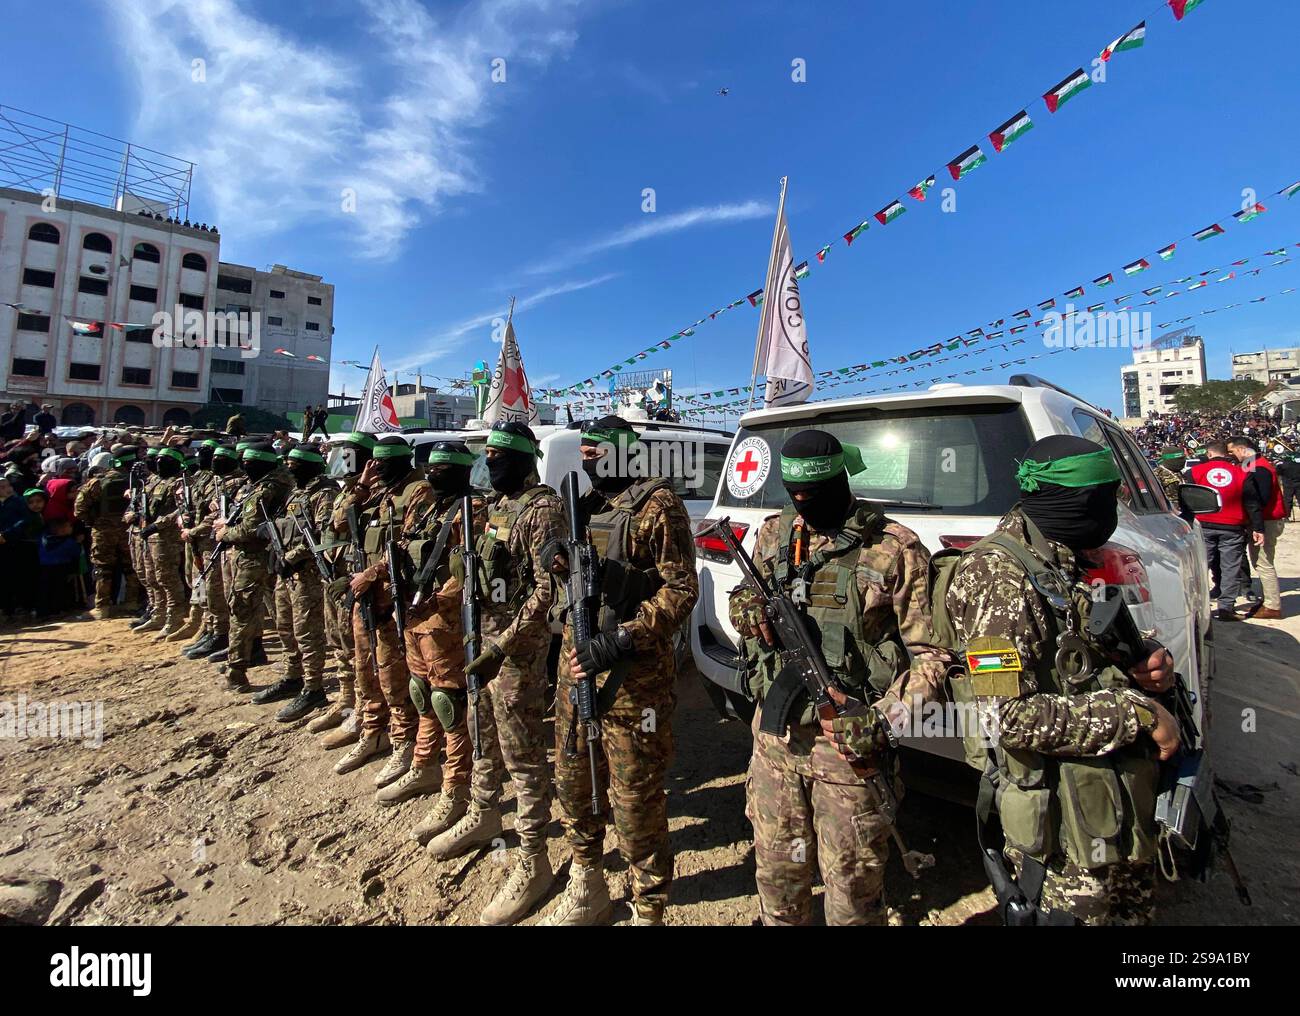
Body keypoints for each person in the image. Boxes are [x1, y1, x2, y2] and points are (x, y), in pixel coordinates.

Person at [945, 435, 1179, 925]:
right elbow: (1006, 716)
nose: (1111, 510)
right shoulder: (998, 578)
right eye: (1104, 497)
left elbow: (1077, 654)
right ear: (1070, 500)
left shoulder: (1063, 556)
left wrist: (1146, 663)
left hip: (1111, 800)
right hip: (1064, 832)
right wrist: (1136, 714)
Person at [727, 430, 954, 926]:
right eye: (795, 495)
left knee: (852, 888)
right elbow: (744, 594)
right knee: (778, 872)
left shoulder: (894, 548)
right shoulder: (773, 534)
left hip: (848, 746)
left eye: (817, 492)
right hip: (775, 742)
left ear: (842, 478)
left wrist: (880, 720)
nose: (804, 504)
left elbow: (932, 655)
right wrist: (744, 605)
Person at [543, 417, 699, 926]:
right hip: (577, 665)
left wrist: (625, 637)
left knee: (634, 799)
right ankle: (587, 880)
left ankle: (648, 906)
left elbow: (681, 591)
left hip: (633, 680)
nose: (588, 460)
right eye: (583, 452)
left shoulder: (659, 505)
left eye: (597, 452)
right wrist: (556, 558)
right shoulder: (585, 506)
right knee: (573, 782)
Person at [426, 421, 565, 928]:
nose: (493, 464)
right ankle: (484, 813)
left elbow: (549, 590)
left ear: (526, 460)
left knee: (523, 752)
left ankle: (533, 856)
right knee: (479, 732)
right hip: (478, 639)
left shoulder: (542, 508)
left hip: (516, 654)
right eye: (490, 456)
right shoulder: (491, 508)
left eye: (503, 456)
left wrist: (503, 646)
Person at [394, 442, 486, 823]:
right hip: (415, 617)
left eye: (443, 468)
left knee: (449, 703)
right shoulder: (426, 506)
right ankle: (423, 762)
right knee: (421, 694)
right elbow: (400, 544)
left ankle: (456, 787)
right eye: (430, 467)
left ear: (463, 470)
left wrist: (434, 602)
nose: (433, 473)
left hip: (443, 623)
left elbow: (469, 572)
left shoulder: (473, 511)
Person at [331, 436, 431, 780]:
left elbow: (409, 543)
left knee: (393, 674)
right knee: (365, 668)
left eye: (381, 462)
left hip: (394, 599)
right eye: (373, 462)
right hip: (366, 596)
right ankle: (372, 730)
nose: (376, 467)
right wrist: (360, 487)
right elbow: (339, 524)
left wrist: (372, 574)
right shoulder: (377, 490)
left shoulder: (418, 491)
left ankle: (403, 739)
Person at [252, 446, 338, 721]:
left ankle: (313, 687)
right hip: (287, 573)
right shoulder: (296, 492)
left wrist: (290, 557)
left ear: (312, 466)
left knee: (307, 632)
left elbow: (322, 536)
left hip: (308, 575)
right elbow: (287, 525)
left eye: (296, 463)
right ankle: (293, 676)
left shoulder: (324, 493)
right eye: (288, 463)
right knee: (285, 626)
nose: (290, 468)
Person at [212, 444, 293, 691]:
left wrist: (225, 533)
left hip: (256, 559)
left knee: (244, 612)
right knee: (280, 616)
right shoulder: (277, 483)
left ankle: (236, 671)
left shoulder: (264, 490)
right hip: (273, 559)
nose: (243, 467)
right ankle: (289, 667)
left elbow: (249, 530)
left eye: (248, 463)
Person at [315, 433, 376, 746]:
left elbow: (340, 523)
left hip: (358, 580)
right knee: (340, 645)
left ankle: (363, 715)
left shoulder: (371, 490)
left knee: (361, 655)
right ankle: (345, 700)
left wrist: (361, 488)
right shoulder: (346, 490)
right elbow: (330, 526)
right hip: (338, 577)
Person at [1189, 441, 1257, 621]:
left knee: (1201, 566)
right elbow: (1251, 501)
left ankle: (1198, 608)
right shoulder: (1242, 472)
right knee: (1231, 568)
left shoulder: (1195, 471)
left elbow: (1188, 498)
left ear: (1209, 454)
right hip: (1233, 525)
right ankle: (1226, 608)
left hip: (1204, 524)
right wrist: (1257, 526)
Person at [73, 443, 141, 619]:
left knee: (102, 569)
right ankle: (132, 603)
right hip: (131, 530)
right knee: (132, 567)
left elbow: (79, 509)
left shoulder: (98, 482)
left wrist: (95, 522)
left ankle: (102, 606)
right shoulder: (140, 482)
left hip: (103, 532)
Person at [1228, 435, 1286, 619]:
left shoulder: (1260, 468)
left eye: (1233, 451)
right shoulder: (1255, 465)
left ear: (1243, 450)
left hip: (1266, 520)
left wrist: (1255, 523)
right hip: (1264, 520)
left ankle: (1272, 605)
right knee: (1260, 562)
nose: (1232, 456)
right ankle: (1269, 599)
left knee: (1263, 563)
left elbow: (1260, 498)